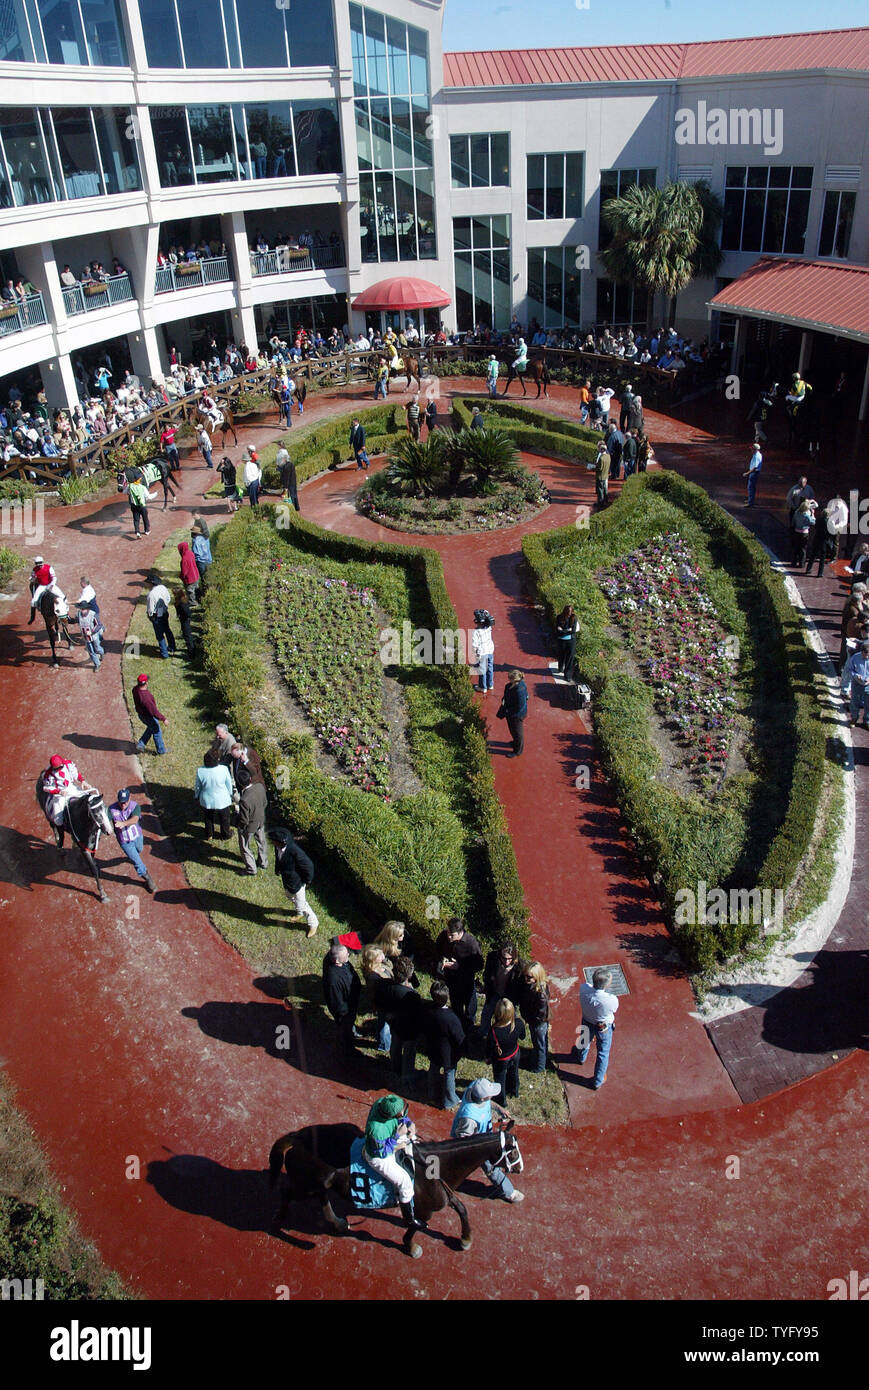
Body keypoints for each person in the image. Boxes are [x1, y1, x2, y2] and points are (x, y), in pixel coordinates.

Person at [451, 1078, 524, 1202]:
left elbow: (488, 1102)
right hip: (478, 1145)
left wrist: (500, 1109)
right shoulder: (469, 1119)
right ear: (482, 1098)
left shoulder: (473, 1088)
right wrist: (480, 1151)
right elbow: (463, 1140)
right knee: (491, 1169)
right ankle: (509, 1192)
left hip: (484, 1137)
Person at [361, 1095, 418, 1225]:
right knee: (405, 1182)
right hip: (378, 1157)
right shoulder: (375, 1130)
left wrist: (409, 1123)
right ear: (391, 1116)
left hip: (390, 1138)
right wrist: (397, 1137)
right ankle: (409, 1219)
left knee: (414, 1140)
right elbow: (380, 1153)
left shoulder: (383, 1102)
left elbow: (401, 1115)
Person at [571, 967, 620, 1089]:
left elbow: (586, 986)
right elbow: (613, 1010)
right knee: (603, 1052)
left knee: (584, 1039)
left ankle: (580, 1057)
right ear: (606, 984)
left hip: (587, 1019)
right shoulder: (612, 1000)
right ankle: (598, 1080)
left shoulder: (584, 988)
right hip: (602, 1026)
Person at [435, 916, 483, 1032]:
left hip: (466, 982)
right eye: (448, 933)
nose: (449, 937)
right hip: (451, 980)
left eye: (452, 935)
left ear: (461, 932)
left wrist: (459, 966)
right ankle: (457, 1028)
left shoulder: (471, 944)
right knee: (456, 1007)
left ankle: (468, 1031)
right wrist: (443, 959)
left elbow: (479, 965)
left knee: (470, 1010)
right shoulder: (444, 936)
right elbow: (437, 949)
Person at [270, 826, 319, 936]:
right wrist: (277, 869)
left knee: (303, 905)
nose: (272, 842)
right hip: (287, 880)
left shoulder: (295, 851)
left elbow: (308, 866)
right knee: (289, 895)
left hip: (297, 883)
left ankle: (313, 923)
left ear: (281, 842)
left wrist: (307, 881)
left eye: (273, 841)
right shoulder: (278, 846)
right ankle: (299, 912)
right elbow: (279, 858)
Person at [424, 981, 464, 1110]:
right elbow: (459, 1037)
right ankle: (449, 1100)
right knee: (449, 1075)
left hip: (433, 1047)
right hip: (448, 1053)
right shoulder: (451, 1018)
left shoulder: (429, 1011)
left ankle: (431, 1095)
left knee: (433, 1071)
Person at [109, 789, 156, 893]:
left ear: (129, 799)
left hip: (137, 836)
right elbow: (106, 819)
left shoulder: (135, 806)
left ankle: (133, 857)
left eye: (125, 801)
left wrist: (123, 824)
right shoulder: (111, 809)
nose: (123, 804)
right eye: (121, 801)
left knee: (139, 849)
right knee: (137, 862)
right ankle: (148, 878)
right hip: (125, 842)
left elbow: (135, 819)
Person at [322, 942, 362, 1055]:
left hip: (350, 1003)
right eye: (346, 955)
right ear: (337, 961)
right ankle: (348, 1049)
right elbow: (337, 1002)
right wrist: (346, 1015)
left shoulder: (339, 961)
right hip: (345, 1012)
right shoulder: (333, 980)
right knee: (346, 1030)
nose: (348, 955)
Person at [480, 941, 521, 1040]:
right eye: (504, 958)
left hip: (509, 995)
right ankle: (485, 1036)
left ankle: (511, 1037)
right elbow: (487, 973)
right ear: (500, 955)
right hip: (494, 992)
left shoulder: (519, 966)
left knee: (511, 1017)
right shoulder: (493, 958)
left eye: (509, 959)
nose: (506, 961)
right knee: (486, 1014)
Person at [487, 997, 525, 1102]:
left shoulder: (494, 1031)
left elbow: (489, 1047)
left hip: (501, 1059)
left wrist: (487, 1057)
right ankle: (514, 1091)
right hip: (515, 1052)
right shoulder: (518, 1023)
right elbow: (523, 1037)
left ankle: (501, 1100)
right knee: (514, 1074)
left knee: (500, 1079)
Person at [518, 960, 550, 1073]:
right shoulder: (532, 986)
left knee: (539, 1044)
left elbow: (540, 1015)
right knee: (539, 1043)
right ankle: (539, 1059)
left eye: (529, 977)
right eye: (525, 976)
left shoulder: (540, 994)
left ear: (537, 977)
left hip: (538, 1024)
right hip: (534, 1021)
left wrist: (529, 1020)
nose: (526, 979)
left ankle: (539, 1066)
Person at [41, 755, 91, 826]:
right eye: (56, 769)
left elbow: (75, 773)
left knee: (88, 799)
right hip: (59, 794)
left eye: (60, 767)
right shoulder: (48, 774)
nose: (59, 770)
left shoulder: (68, 764)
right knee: (58, 821)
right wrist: (59, 792)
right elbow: (47, 787)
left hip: (70, 787)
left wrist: (82, 781)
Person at [194, 749, 234, 839]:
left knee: (208, 817)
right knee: (224, 818)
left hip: (207, 799)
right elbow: (228, 783)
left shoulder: (200, 771)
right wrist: (230, 793)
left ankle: (209, 834)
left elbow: (198, 786)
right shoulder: (223, 769)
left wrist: (196, 796)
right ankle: (225, 834)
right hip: (222, 799)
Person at [362, 944, 394, 1054]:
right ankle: (384, 1045)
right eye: (380, 954)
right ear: (375, 960)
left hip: (387, 1001)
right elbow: (376, 993)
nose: (383, 955)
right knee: (384, 1024)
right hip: (383, 1003)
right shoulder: (373, 976)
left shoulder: (381, 965)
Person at [237, 775, 268, 875]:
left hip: (250, 826)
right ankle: (263, 862)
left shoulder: (244, 799)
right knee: (261, 842)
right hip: (261, 820)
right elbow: (265, 803)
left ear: (241, 784)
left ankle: (251, 869)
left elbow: (244, 820)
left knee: (245, 846)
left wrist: (240, 828)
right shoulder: (260, 787)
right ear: (250, 779)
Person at [133, 673, 168, 754]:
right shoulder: (146, 698)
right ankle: (161, 750)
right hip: (147, 716)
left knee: (151, 727)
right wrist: (163, 719)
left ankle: (141, 744)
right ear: (146, 683)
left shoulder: (135, 689)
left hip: (141, 714)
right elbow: (153, 711)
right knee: (156, 730)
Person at [146, 573, 176, 657]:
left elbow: (150, 609)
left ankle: (164, 653)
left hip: (156, 616)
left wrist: (150, 616)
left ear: (151, 583)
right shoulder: (163, 588)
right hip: (164, 612)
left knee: (159, 635)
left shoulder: (151, 595)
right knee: (167, 629)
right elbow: (168, 598)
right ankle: (172, 646)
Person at [499, 669, 528, 758]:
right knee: (513, 731)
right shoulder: (515, 685)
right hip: (511, 713)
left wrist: (508, 711)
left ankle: (517, 751)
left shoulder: (519, 690)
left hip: (516, 715)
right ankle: (515, 742)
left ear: (514, 680)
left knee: (518, 733)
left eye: (509, 678)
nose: (508, 680)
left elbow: (519, 706)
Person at [845, 642, 869, 728]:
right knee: (854, 702)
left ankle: (867, 721)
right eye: (865, 654)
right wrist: (856, 675)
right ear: (861, 651)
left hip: (868, 685)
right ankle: (854, 718)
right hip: (857, 684)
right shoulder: (855, 657)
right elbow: (850, 669)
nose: (867, 657)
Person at [471, 608, 495, 694]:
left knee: (482, 670)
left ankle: (482, 687)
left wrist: (475, 653)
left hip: (482, 653)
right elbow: (489, 618)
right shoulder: (488, 628)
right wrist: (485, 612)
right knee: (490, 668)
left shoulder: (475, 632)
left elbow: (474, 645)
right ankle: (490, 684)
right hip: (490, 651)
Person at [77, 600, 104, 672]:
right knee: (91, 652)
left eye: (83, 609)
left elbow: (99, 625)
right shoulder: (78, 614)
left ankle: (102, 653)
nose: (82, 611)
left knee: (97, 649)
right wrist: (67, 620)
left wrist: (91, 632)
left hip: (94, 636)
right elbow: (76, 620)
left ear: (87, 609)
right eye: (81, 609)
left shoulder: (93, 614)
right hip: (86, 637)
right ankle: (97, 664)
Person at [555, 604, 579, 678]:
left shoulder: (574, 618)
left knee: (570, 658)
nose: (569, 614)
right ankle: (560, 668)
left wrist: (563, 631)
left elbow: (573, 631)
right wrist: (567, 630)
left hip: (571, 641)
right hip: (561, 641)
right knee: (561, 656)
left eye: (570, 612)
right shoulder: (559, 617)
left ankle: (567, 675)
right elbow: (557, 629)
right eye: (568, 612)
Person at [174, 587, 196, 657]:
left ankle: (191, 653)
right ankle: (191, 650)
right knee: (187, 635)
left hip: (185, 620)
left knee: (187, 636)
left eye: (174, 594)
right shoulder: (182, 600)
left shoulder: (182, 603)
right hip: (184, 620)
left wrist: (183, 616)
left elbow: (188, 613)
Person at [178, 541, 200, 607]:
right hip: (196, 575)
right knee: (196, 589)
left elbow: (184, 572)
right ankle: (199, 600)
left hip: (190, 579)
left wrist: (181, 576)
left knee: (190, 592)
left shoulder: (184, 559)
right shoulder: (190, 553)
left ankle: (193, 603)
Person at [594, 439, 610, 505]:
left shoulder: (601, 458)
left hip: (600, 476)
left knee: (600, 489)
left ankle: (600, 502)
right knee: (604, 488)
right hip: (605, 475)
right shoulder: (608, 456)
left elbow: (599, 468)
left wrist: (593, 469)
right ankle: (605, 500)